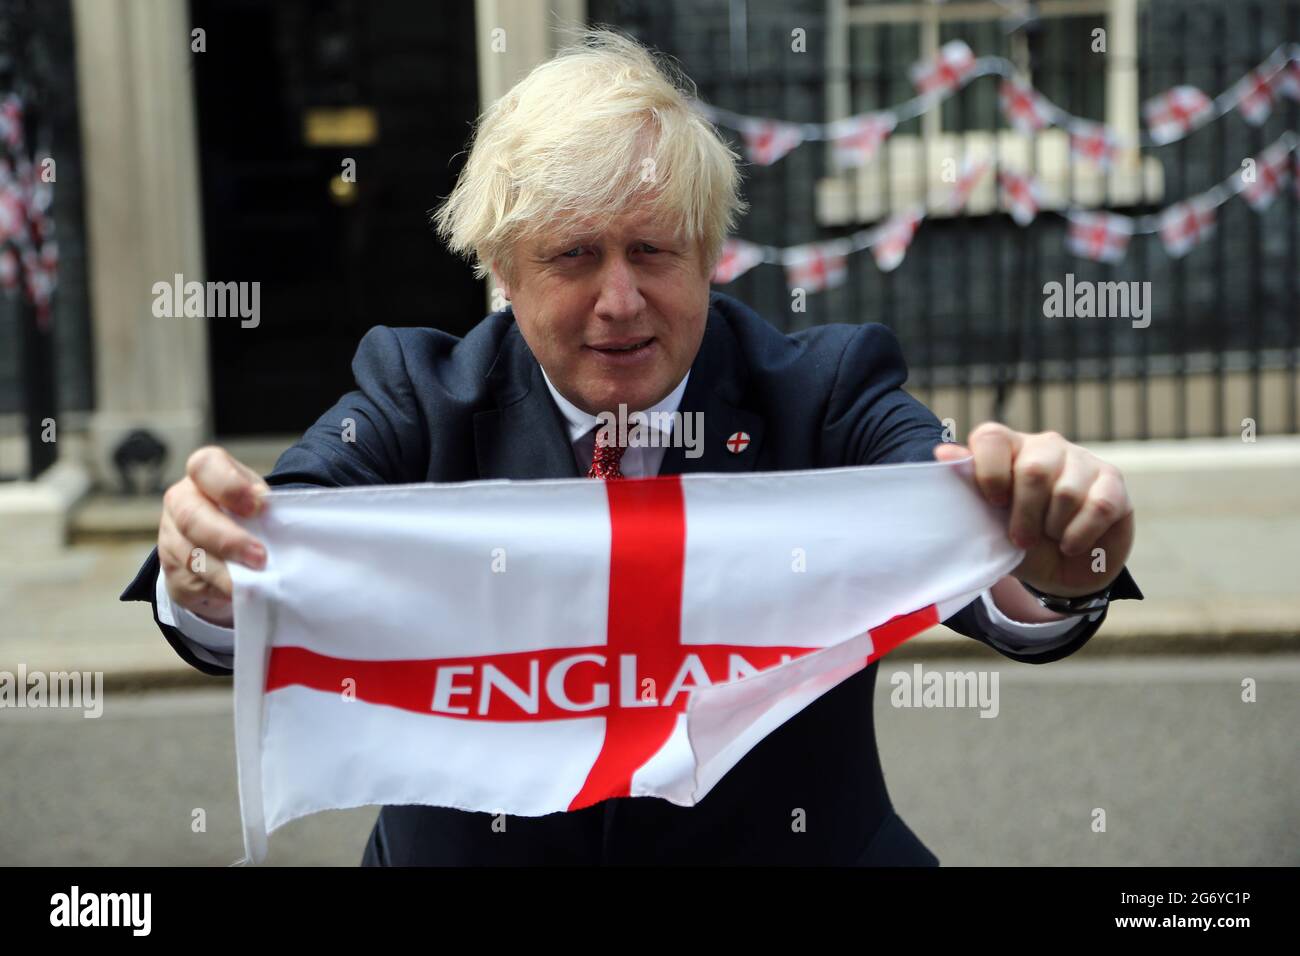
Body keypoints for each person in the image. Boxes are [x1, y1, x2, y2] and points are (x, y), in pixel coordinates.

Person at [121, 28, 1141, 865]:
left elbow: (960, 533)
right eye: (572, 256)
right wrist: (210, 567)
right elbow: (265, 551)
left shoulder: (824, 391)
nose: (620, 300)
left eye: (653, 249)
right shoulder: (413, 392)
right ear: (502, 272)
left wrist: (1048, 563)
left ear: (707, 252)